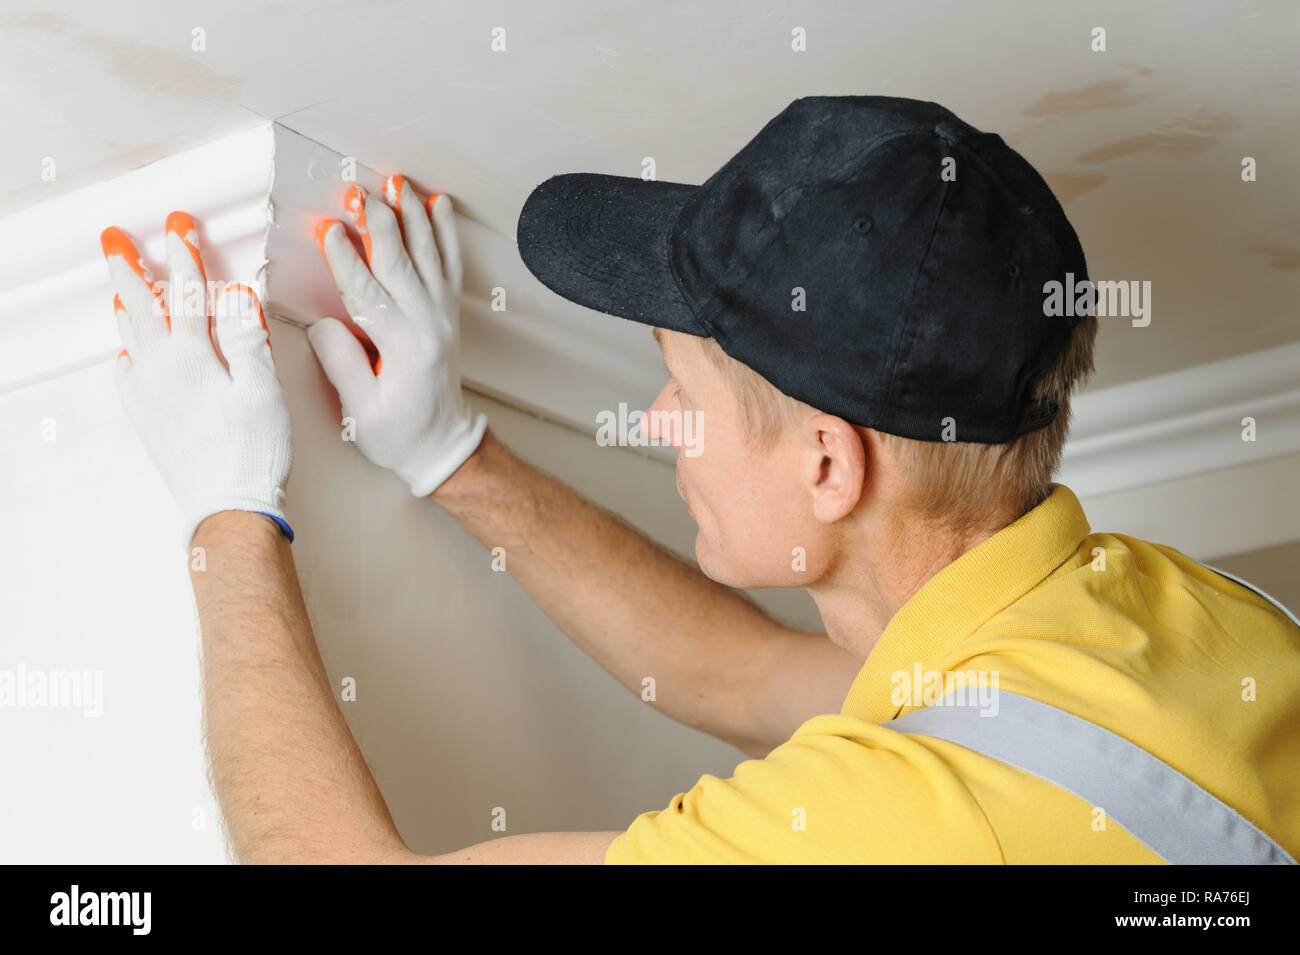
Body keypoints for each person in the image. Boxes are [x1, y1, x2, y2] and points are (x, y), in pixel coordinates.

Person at [102, 95, 1300, 864]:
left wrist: (230, 515)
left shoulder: (872, 834)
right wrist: (450, 455)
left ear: (830, 463)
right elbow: (753, 675)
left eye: (679, 386)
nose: (659, 419)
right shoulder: (1166, 621)